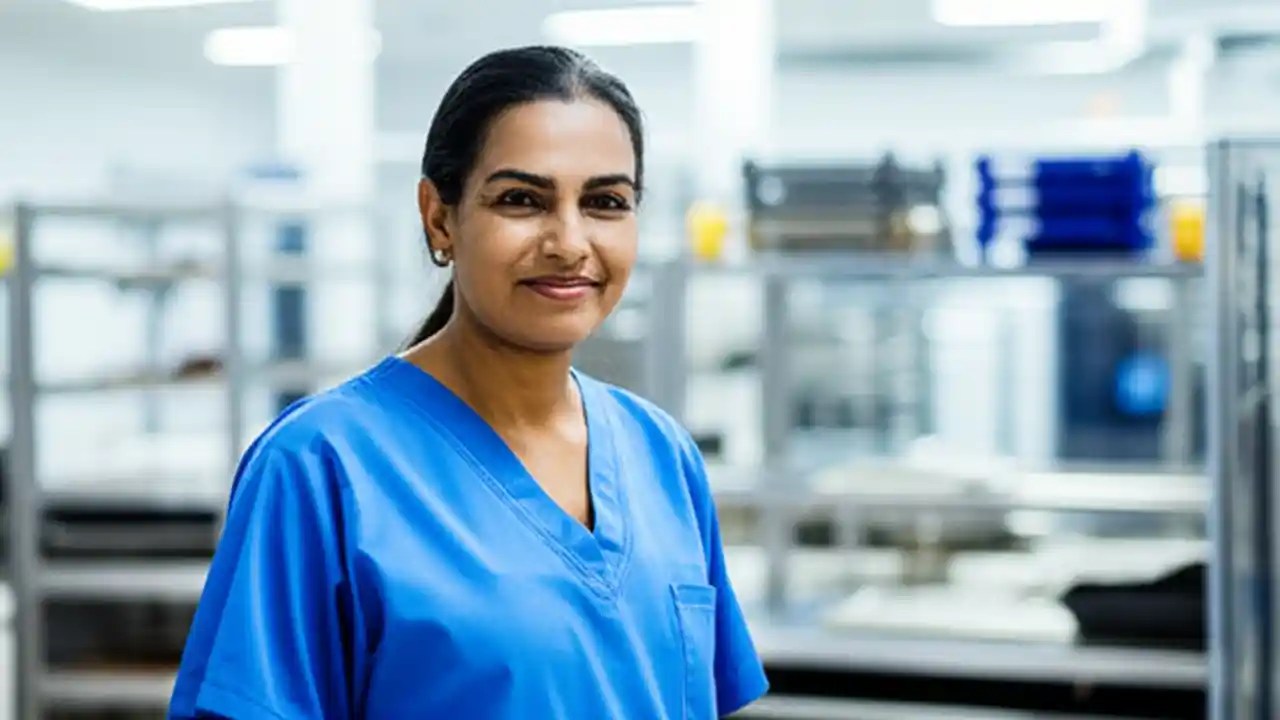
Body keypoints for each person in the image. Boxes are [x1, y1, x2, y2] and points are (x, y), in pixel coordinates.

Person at [167, 45, 768, 719]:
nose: (570, 242)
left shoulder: (662, 454)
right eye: (521, 199)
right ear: (439, 217)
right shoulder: (320, 467)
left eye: (605, 201)